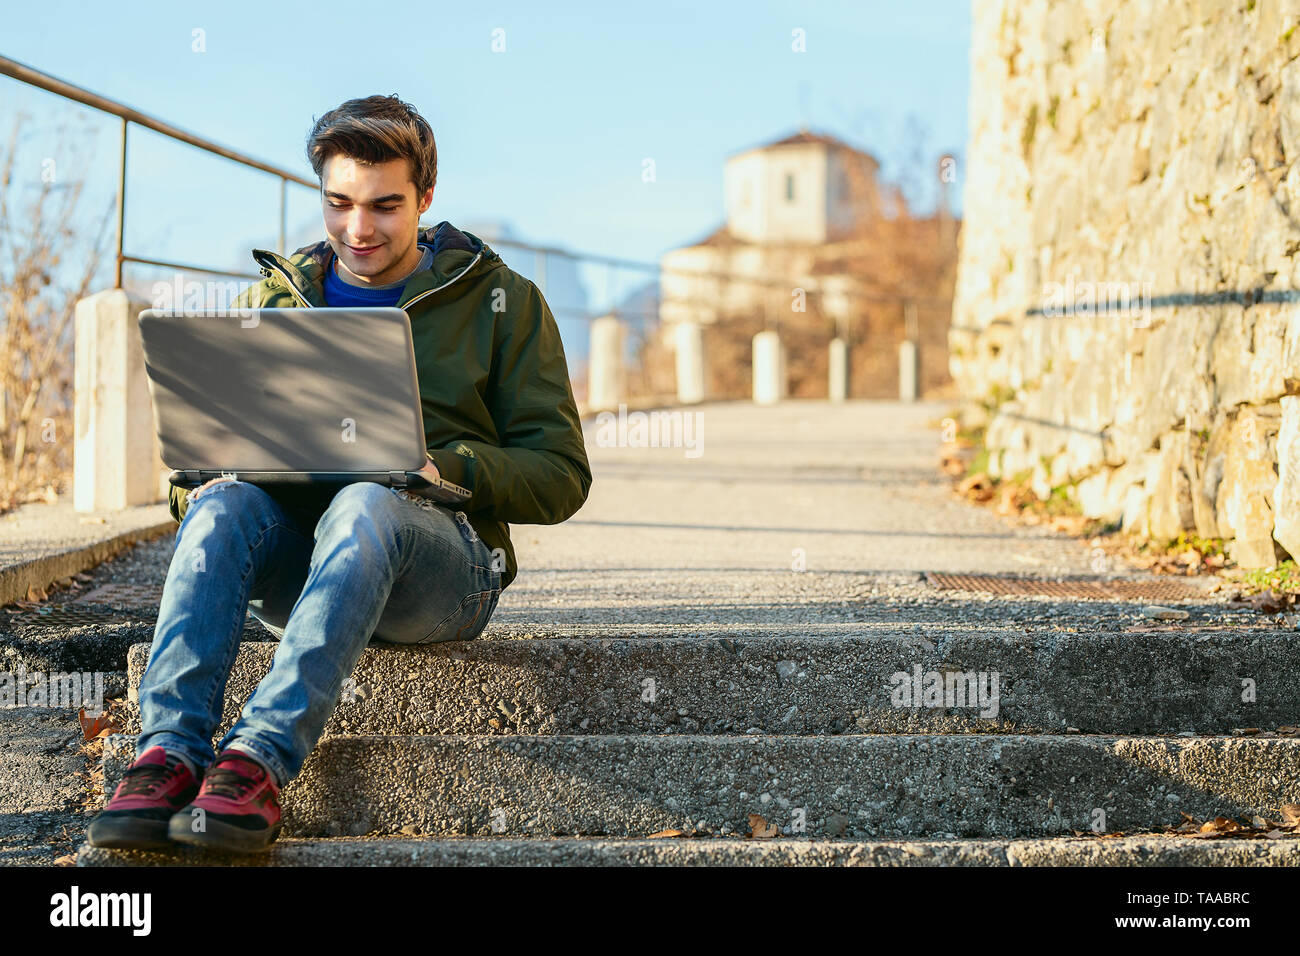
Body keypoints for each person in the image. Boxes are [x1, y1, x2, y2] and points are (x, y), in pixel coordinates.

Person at [86, 94, 592, 853]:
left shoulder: (501, 302)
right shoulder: (276, 299)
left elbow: (560, 474)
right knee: (223, 506)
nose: (359, 229)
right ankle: (166, 754)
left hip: (441, 574)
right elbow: (188, 493)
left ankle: (255, 761)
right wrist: (208, 471)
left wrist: (440, 468)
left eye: (386, 206)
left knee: (366, 501)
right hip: (305, 570)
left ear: (426, 197)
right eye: (339, 203)